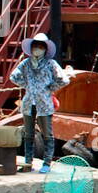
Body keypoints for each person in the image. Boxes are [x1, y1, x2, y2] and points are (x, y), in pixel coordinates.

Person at [10, 33, 70, 174]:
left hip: (44, 102)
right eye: (35, 46)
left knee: (47, 135)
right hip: (29, 102)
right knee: (28, 134)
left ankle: (47, 163)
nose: (37, 48)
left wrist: (50, 88)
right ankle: (27, 163)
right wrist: (26, 85)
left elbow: (64, 79)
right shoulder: (25, 63)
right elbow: (13, 76)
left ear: (45, 49)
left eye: (40, 46)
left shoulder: (51, 64)